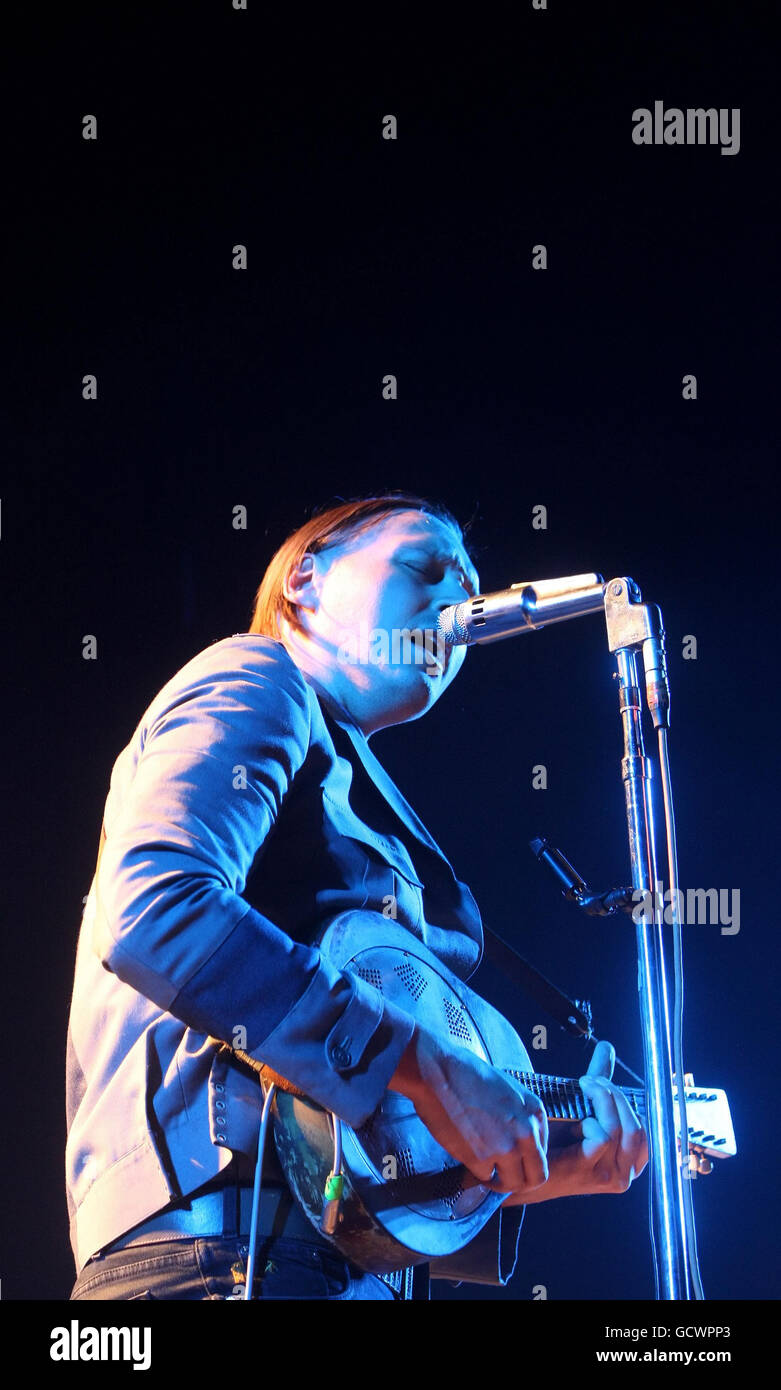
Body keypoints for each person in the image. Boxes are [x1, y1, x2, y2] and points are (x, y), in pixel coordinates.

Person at [66, 492, 648, 1301]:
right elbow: (153, 906)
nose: (456, 603)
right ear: (305, 579)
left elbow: (353, 1150)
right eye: (424, 569)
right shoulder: (256, 674)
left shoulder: (355, 792)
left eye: (470, 586)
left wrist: (511, 1165)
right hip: (221, 1255)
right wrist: (434, 1067)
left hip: (325, 1269)